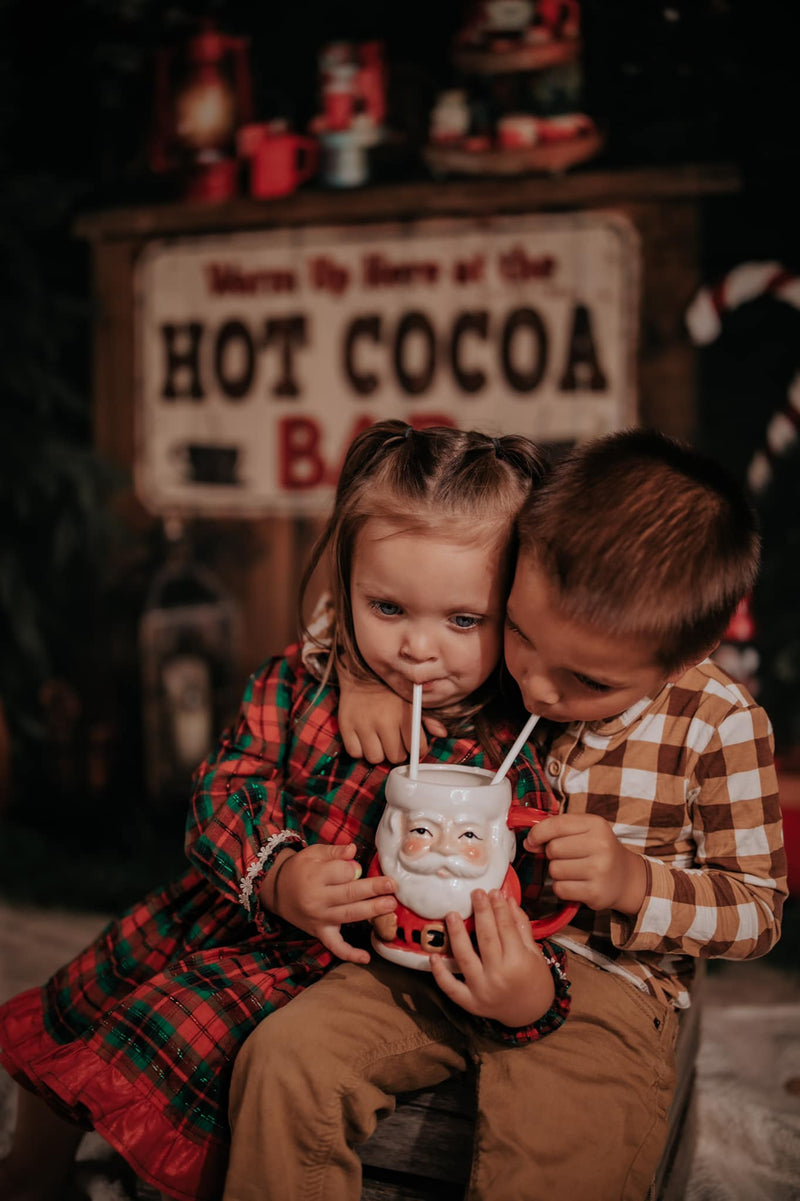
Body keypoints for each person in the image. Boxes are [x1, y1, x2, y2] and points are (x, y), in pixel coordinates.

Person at [0, 420, 570, 1201]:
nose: (418, 648)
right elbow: (222, 787)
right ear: (347, 582)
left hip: (328, 969)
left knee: (170, 1031)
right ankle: (30, 1171)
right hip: (233, 909)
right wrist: (275, 873)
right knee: (85, 993)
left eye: (464, 620)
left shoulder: (504, 749)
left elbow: (526, 893)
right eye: (388, 607)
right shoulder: (302, 685)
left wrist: (527, 983)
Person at [223, 427, 787, 1201]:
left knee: (560, 1146)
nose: (539, 688)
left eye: (588, 681)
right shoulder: (499, 647)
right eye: (516, 632)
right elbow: (386, 595)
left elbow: (758, 910)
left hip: (602, 980)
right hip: (432, 944)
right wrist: (361, 675)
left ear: (687, 651)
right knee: (286, 1057)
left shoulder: (719, 726)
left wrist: (632, 881)